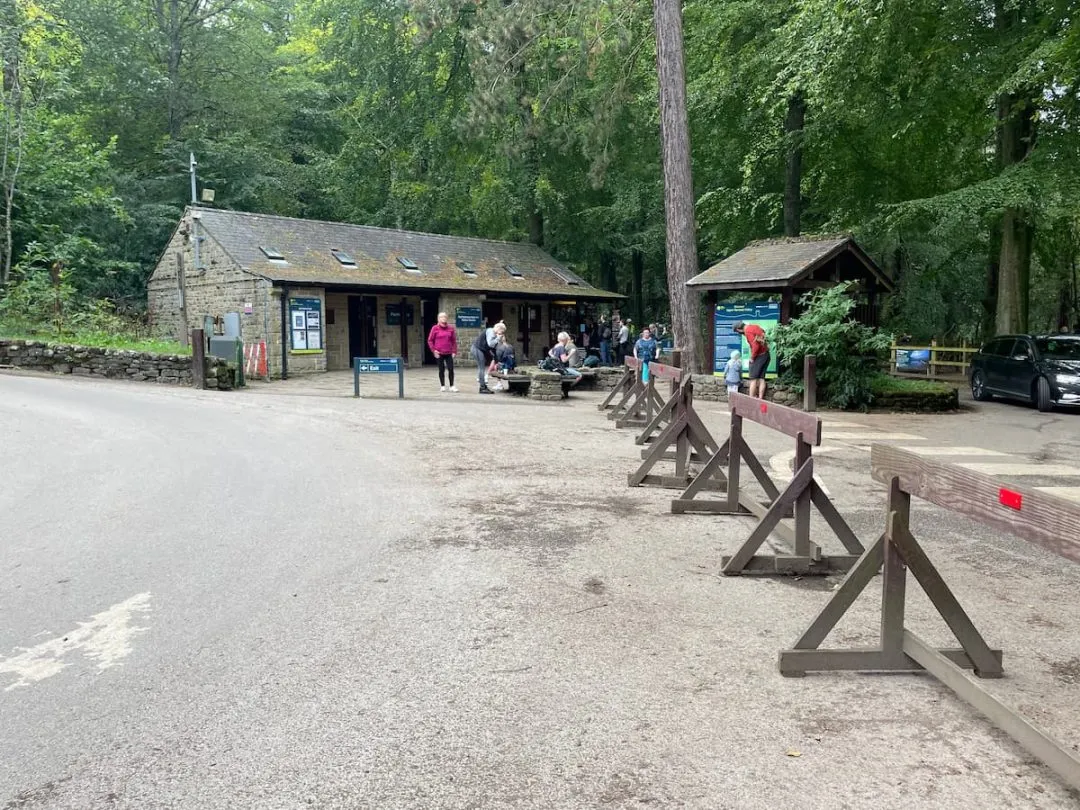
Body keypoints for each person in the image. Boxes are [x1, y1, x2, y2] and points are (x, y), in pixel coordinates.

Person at [733, 320, 769, 399]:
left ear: (739, 329)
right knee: (762, 378)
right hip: (766, 354)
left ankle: (751, 399)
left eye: (737, 331)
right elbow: (763, 332)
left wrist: (752, 358)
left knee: (753, 379)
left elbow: (756, 346)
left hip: (759, 356)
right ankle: (760, 398)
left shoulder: (747, 332)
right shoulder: (754, 326)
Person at [426, 311, 458, 392]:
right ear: (438, 319)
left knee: (451, 369)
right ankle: (442, 385)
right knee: (441, 369)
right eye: (441, 317)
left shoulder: (451, 328)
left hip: (449, 352)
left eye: (445, 317)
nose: (443, 318)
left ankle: (452, 386)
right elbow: (430, 340)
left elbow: (454, 341)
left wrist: (454, 351)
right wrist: (434, 351)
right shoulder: (435, 328)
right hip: (439, 353)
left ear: (447, 318)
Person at [471, 321, 505, 394]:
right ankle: (482, 388)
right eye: (501, 332)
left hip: (480, 350)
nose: (501, 334)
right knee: (481, 367)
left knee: (482, 367)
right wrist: (498, 338)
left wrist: (496, 359)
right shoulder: (490, 331)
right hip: (477, 348)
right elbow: (490, 344)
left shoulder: (494, 334)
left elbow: (494, 348)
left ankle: (483, 386)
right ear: (498, 328)